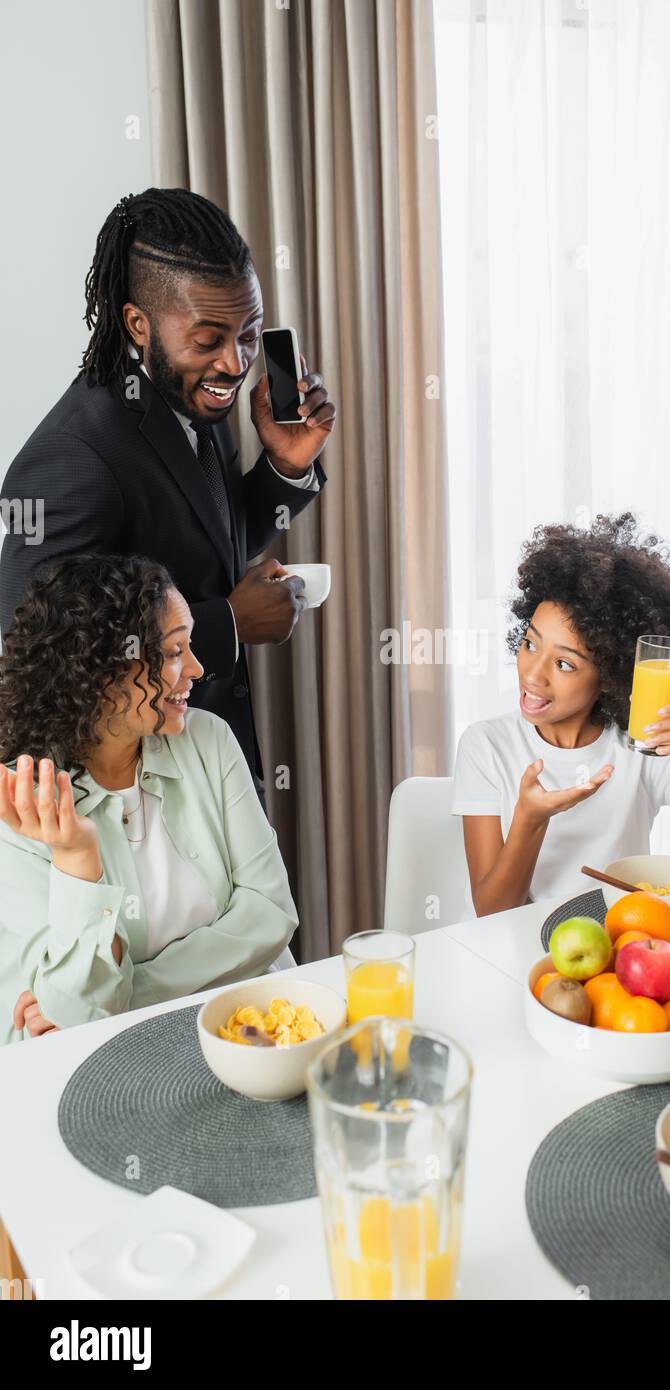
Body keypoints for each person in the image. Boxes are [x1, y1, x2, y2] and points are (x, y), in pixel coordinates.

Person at [0, 187, 336, 785]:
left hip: (211, 766)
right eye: (209, 339)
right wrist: (226, 624)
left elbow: (208, 539)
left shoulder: (193, 396)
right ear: (138, 323)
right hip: (127, 794)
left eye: (250, 334)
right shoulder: (74, 455)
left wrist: (284, 467)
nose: (235, 362)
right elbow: (35, 650)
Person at [0, 554, 299, 1046]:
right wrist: (78, 858)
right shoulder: (23, 802)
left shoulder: (208, 740)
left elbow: (271, 911)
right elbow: (77, 1014)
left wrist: (131, 994)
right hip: (92, 1061)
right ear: (99, 671)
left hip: (240, 1026)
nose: (198, 669)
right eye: (174, 651)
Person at [452, 515, 670, 917]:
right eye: (530, 643)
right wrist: (529, 820)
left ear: (610, 676)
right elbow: (491, 910)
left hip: (630, 944)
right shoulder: (487, 746)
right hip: (534, 954)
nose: (532, 673)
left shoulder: (642, 747)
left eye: (564, 664)